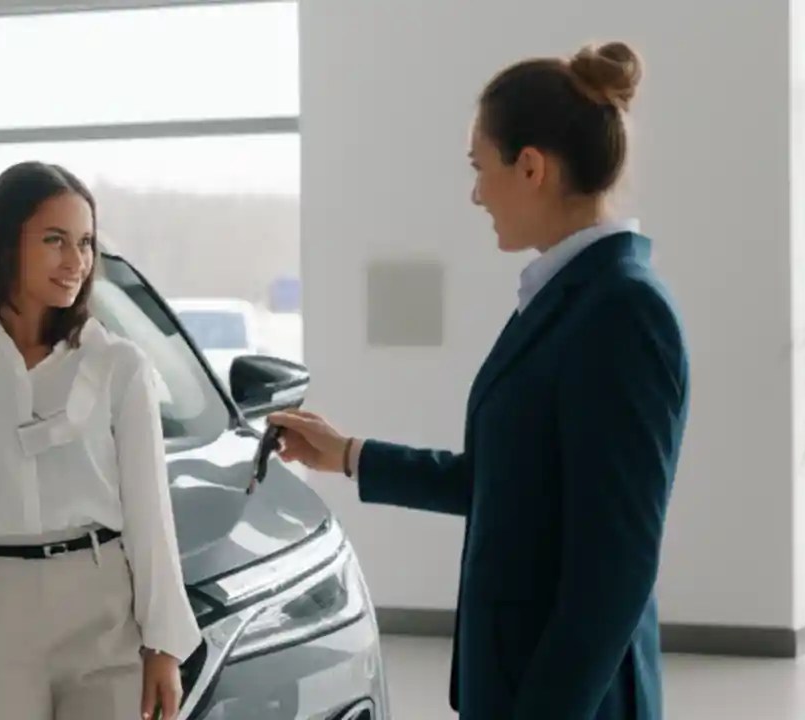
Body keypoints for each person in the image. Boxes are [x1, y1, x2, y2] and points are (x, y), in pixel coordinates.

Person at [269, 42, 689, 720]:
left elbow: (614, 573)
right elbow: (503, 481)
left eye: (478, 166)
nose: (475, 193)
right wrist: (348, 454)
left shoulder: (623, 311)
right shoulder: (568, 297)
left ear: (531, 167)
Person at [0, 161, 200, 720]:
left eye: (85, 242)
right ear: (7, 243)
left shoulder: (120, 364)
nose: (76, 261)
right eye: (54, 240)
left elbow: (150, 512)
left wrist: (164, 645)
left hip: (100, 596)